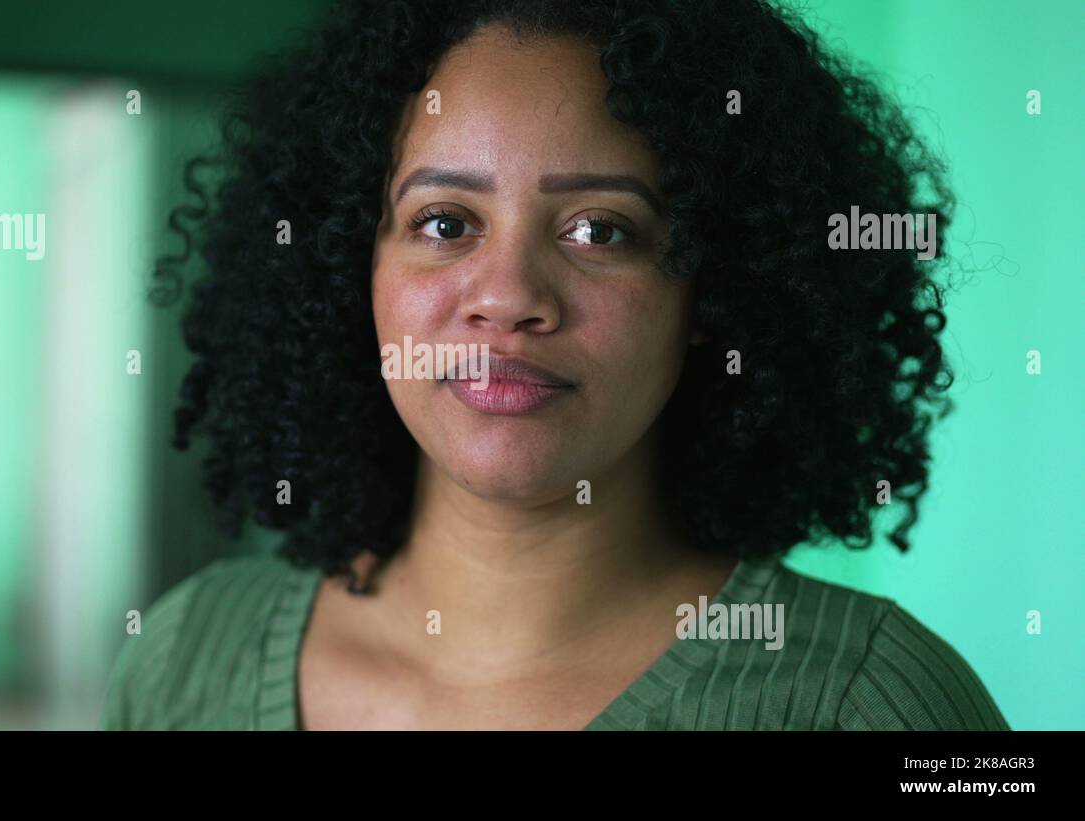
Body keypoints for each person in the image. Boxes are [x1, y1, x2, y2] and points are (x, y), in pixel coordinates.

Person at [102, 0, 1009, 731]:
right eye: (445, 222)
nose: (509, 296)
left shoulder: (870, 705)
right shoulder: (187, 654)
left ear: (712, 295)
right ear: (353, 268)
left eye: (600, 230)